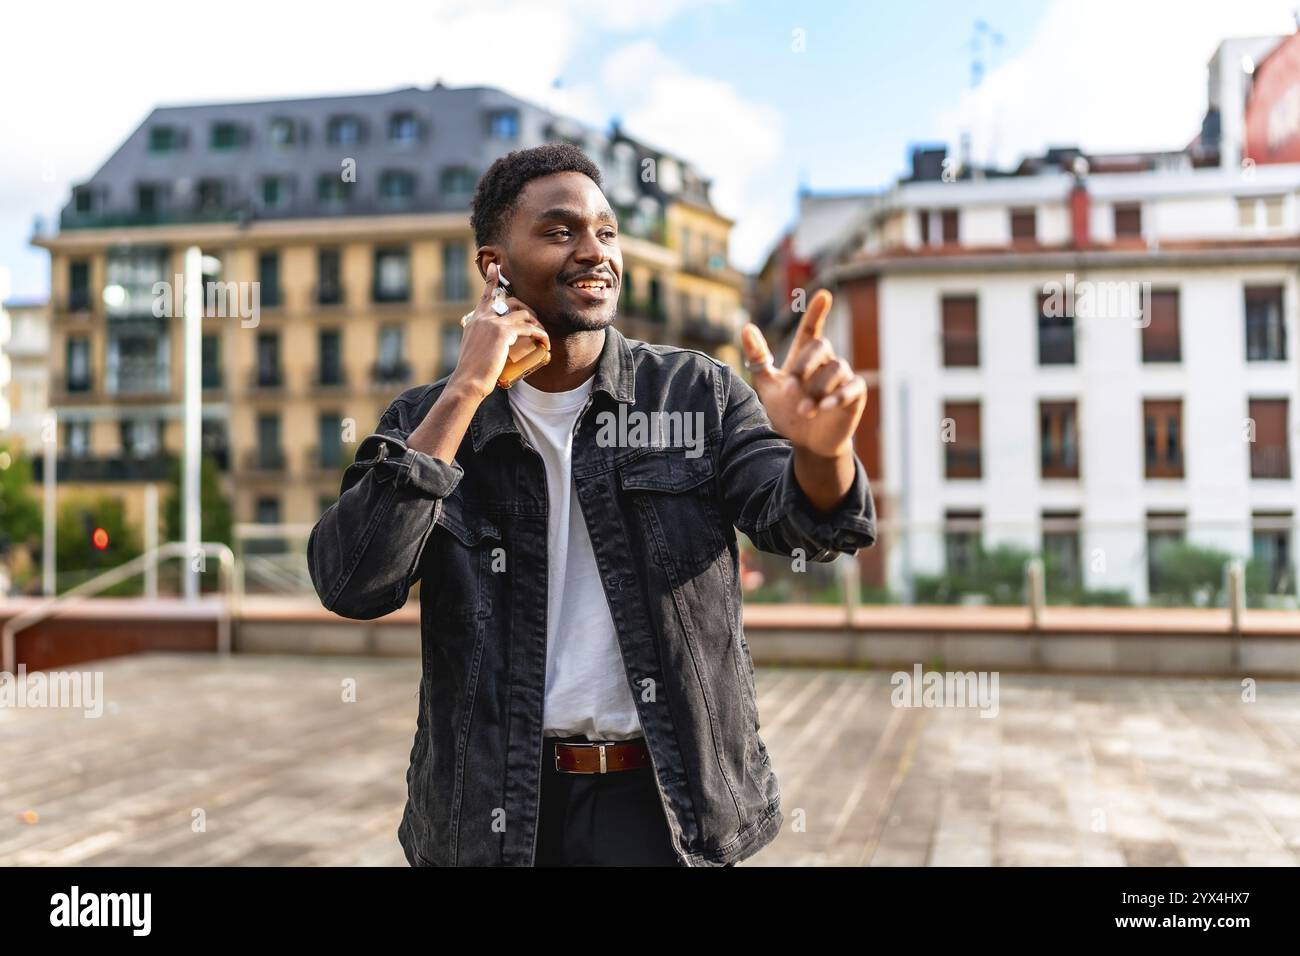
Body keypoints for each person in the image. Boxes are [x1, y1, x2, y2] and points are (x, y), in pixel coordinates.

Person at [306, 143, 876, 866]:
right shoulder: (431, 419)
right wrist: (464, 392)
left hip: (665, 809)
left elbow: (804, 523)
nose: (594, 252)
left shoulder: (695, 396)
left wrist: (822, 452)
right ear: (494, 265)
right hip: (493, 812)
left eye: (606, 231)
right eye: (559, 231)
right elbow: (352, 581)